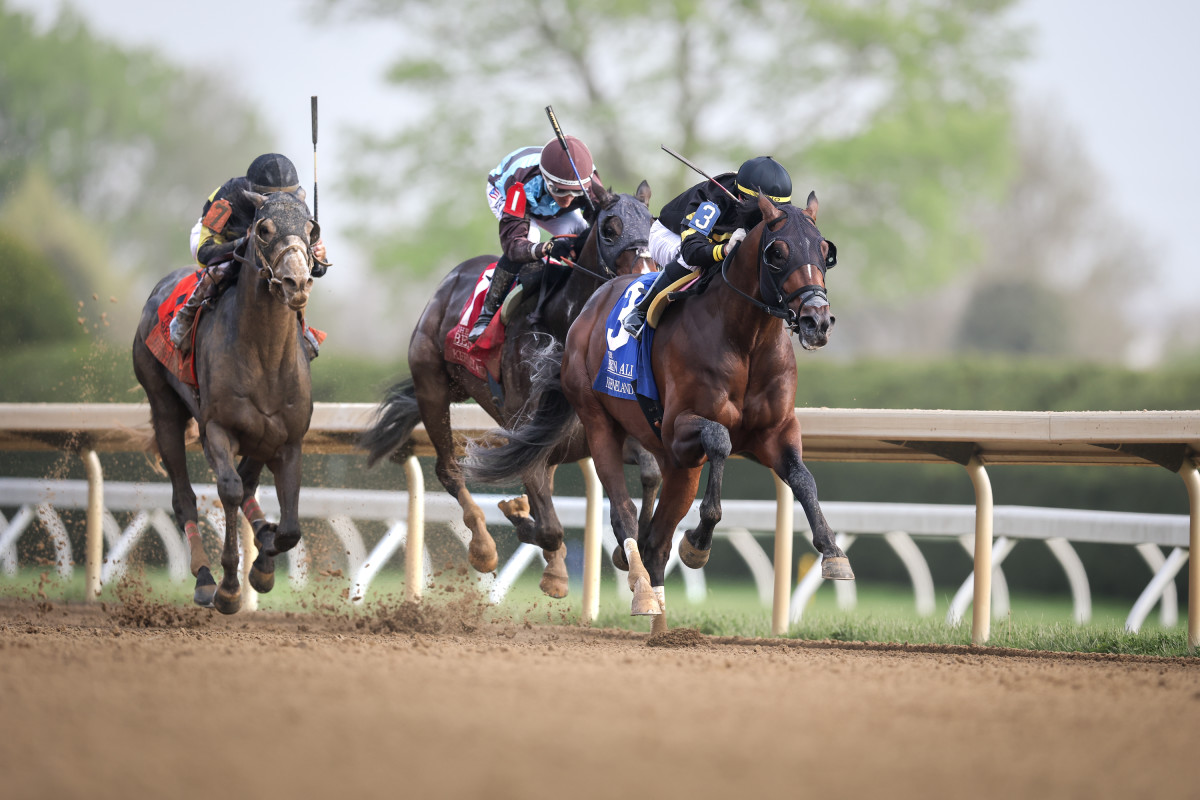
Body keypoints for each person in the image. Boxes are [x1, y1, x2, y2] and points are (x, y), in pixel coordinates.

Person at [169, 153, 328, 353]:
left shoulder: (295, 204)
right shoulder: (228, 197)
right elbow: (204, 253)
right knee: (223, 269)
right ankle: (186, 316)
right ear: (253, 192)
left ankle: (301, 329)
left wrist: (318, 257)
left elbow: (317, 270)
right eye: (272, 199)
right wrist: (245, 242)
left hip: (268, 244)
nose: (279, 205)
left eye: (285, 199)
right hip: (222, 239)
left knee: (292, 273)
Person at [621, 155, 792, 339]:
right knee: (697, 263)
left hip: (714, 240)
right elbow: (690, 251)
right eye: (761, 210)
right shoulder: (712, 201)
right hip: (672, 236)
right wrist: (725, 250)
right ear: (741, 197)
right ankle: (639, 312)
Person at [469, 135, 605, 342]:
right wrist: (547, 247)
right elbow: (514, 245)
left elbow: (601, 220)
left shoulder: (589, 181)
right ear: (547, 180)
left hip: (545, 201)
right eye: (560, 191)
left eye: (574, 194)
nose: (567, 202)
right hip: (506, 192)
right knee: (530, 238)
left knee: (582, 230)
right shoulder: (519, 185)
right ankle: (487, 314)